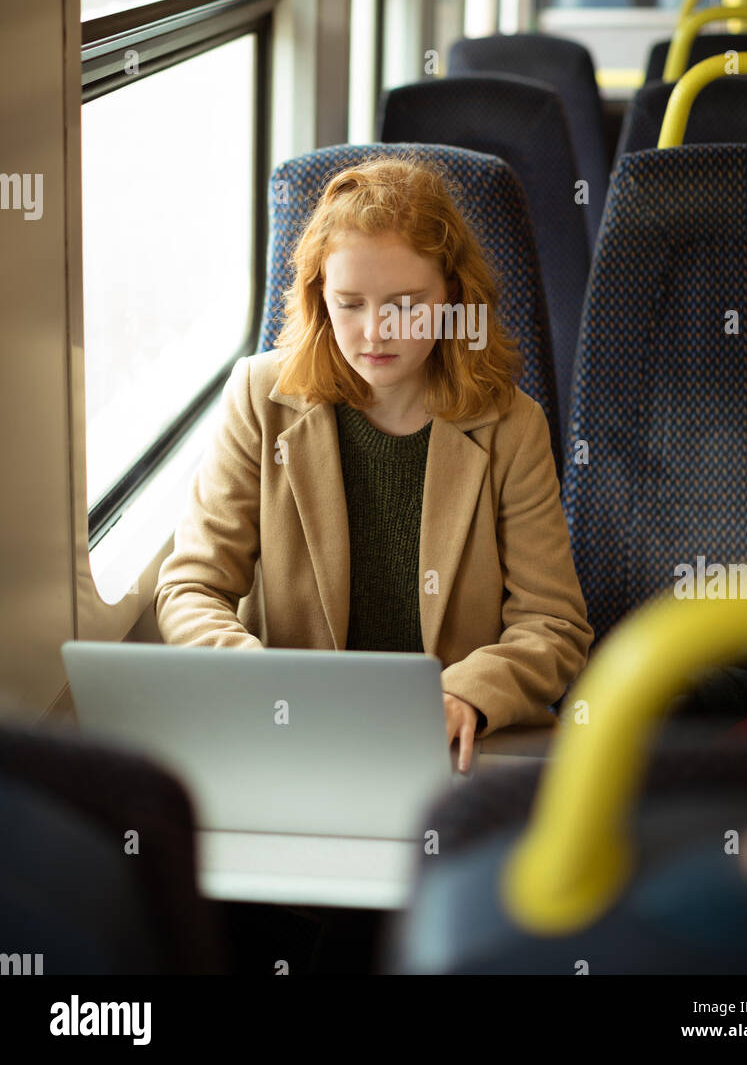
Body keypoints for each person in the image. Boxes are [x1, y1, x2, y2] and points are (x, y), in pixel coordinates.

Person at [154, 153, 593, 772]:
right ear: (319, 299)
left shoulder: (512, 426)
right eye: (350, 303)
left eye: (406, 303)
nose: (374, 332)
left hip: (450, 745)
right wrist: (252, 678)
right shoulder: (258, 398)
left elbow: (552, 622)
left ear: (452, 298)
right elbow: (191, 586)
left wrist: (466, 694)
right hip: (292, 739)